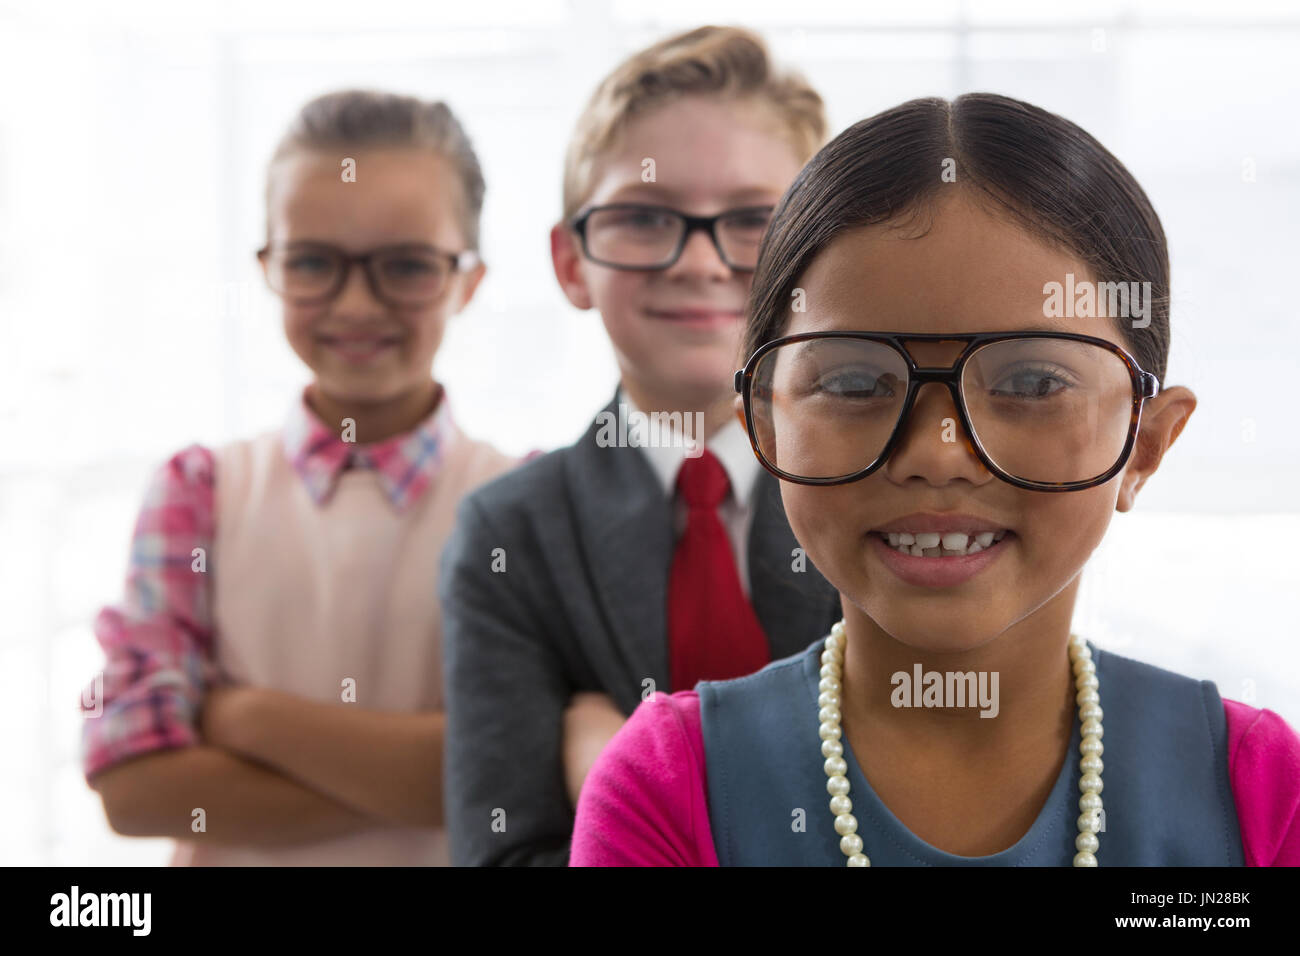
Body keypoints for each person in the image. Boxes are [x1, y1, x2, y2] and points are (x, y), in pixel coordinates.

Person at [570, 92, 1300, 866]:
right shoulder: (670, 787)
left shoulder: (1256, 791)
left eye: (1032, 382)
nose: (939, 452)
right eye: (854, 383)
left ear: (1145, 444)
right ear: (762, 421)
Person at [80, 90, 515, 864]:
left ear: (469, 280)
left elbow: (518, 777)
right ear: (268, 269)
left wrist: (245, 718)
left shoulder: (522, 504)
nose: (355, 303)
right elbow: (136, 790)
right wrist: (425, 773)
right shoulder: (198, 492)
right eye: (313, 262)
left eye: (407, 266)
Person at [439, 25, 839, 866]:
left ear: (820, 260)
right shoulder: (510, 535)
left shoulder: (886, 490)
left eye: (752, 219)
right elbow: (508, 855)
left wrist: (613, 777)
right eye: (644, 217)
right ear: (571, 262)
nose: (698, 262)